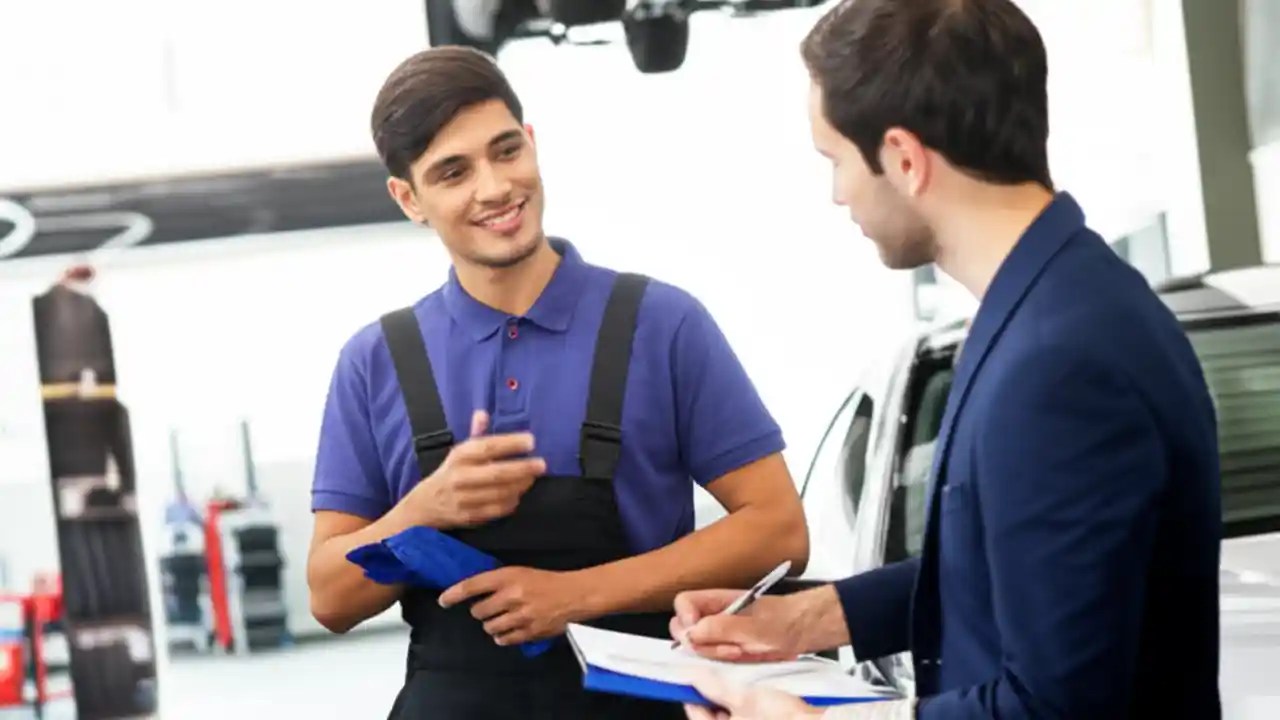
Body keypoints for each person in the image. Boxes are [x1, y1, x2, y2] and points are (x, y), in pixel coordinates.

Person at [672, 0, 1223, 718]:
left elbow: (1059, 706)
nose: (839, 194)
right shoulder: (1060, 301)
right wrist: (802, 620)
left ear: (903, 159)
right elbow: (1014, 577)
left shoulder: (1058, 363)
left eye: (835, 160)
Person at [303, 46, 809, 719]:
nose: (494, 188)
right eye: (453, 172)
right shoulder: (375, 361)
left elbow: (779, 533)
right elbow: (330, 599)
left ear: (532, 143)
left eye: (506, 151)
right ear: (409, 199)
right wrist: (424, 511)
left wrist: (575, 596)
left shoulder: (661, 324)